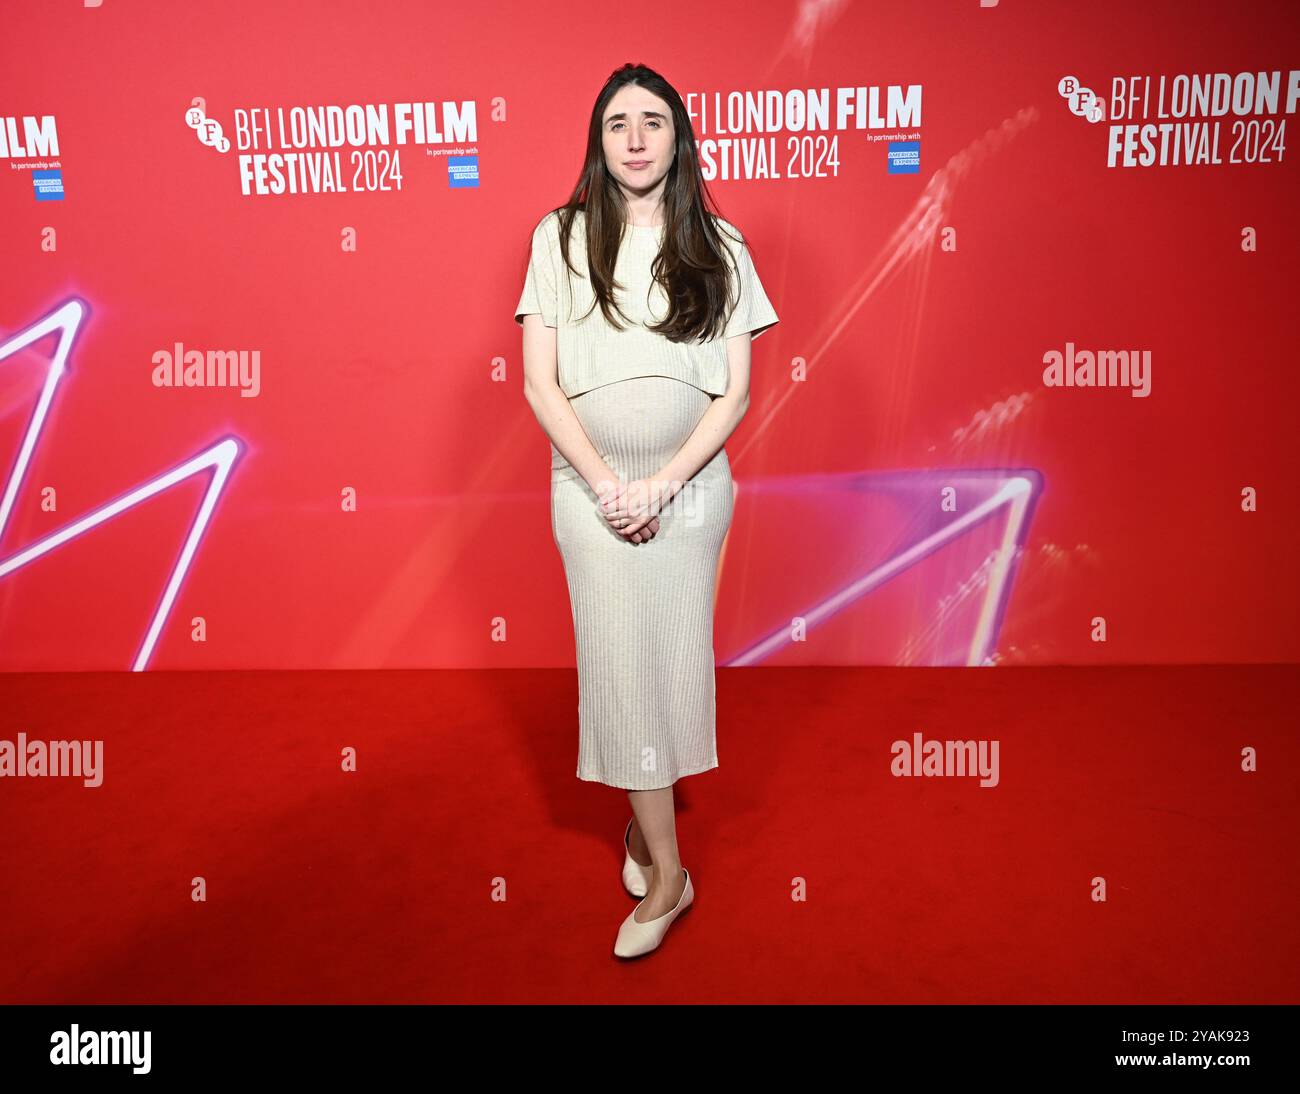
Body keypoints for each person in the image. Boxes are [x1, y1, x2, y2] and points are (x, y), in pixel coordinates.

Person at [514, 63, 779, 958]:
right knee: (619, 669)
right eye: (618, 122)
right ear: (598, 139)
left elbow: (735, 394)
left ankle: (646, 833)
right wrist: (606, 486)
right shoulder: (557, 238)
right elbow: (539, 385)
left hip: (691, 492)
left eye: (653, 121)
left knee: (666, 664)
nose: (634, 137)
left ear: (678, 138)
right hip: (588, 494)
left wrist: (662, 485)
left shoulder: (721, 244)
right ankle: (670, 874)